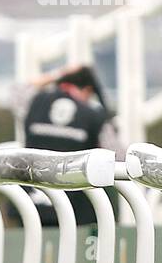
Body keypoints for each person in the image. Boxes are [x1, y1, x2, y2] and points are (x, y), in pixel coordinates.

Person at [15, 63, 121, 225]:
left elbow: (18, 90)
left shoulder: (35, 101)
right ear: (87, 90)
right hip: (75, 211)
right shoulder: (93, 115)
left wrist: (58, 73)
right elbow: (117, 155)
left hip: (30, 205)